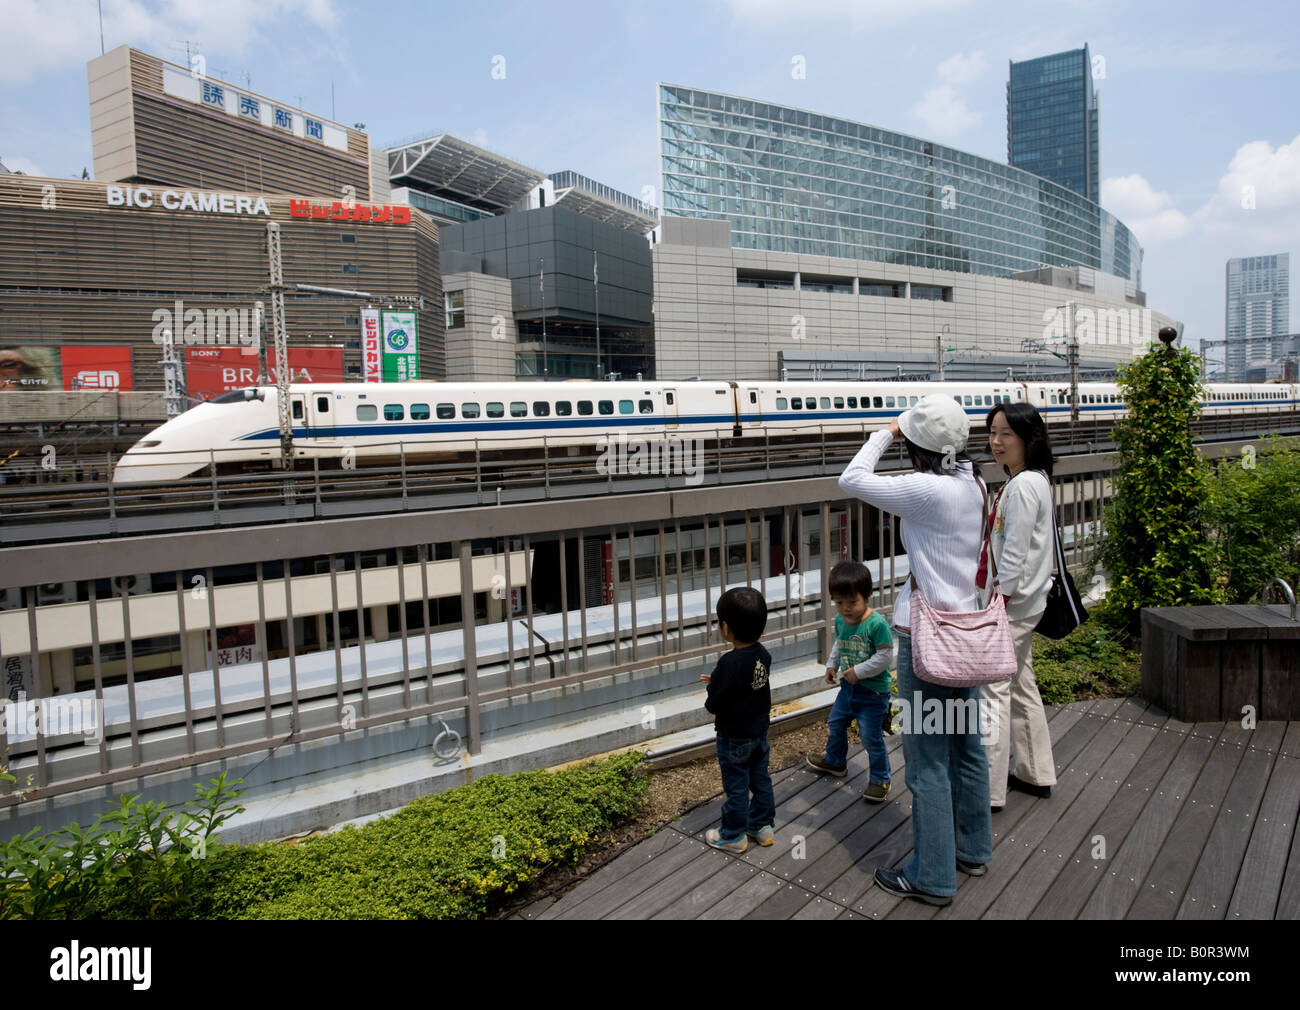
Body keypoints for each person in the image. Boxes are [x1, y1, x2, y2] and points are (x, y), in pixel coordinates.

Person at [837, 395, 992, 907]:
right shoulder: (975, 484)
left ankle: (932, 877)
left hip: (926, 638)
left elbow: (852, 479)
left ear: (918, 446)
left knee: (926, 760)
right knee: (965, 746)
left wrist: (886, 433)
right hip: (965, 633)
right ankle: (972, 849)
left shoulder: (927, 490)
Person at [980, 402, 1057, 810]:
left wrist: (998, 600)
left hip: (1013, 606)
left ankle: (989, 791)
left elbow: (1015, 550)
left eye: (1006, 434)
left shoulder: (1025, 485)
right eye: (993, 432)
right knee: (1021, 684)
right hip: (1026, 602)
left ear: (1030, 438)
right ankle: (1035, 772)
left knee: (992, 689)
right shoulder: (1030, 480)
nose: (996, 441)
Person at [805, 560, 895, 802]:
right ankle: (835, 761)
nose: (845, 608)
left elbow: (886, 655)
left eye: (852, 602)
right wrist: (831, 665)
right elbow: (840, 643)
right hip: (848, 688)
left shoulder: (876, 624)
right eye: (839, 602)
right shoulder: (840, 620)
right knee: (835, 723)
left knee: (870, 737)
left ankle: (880, 778)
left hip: (873, 693)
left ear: (866, 596)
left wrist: (861, 671)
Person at [701, 586, 775, 854]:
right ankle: (762, 825)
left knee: (737, 786)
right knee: (760, 779)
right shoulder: (762, 655)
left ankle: (733, 835)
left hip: (734, 737)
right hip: (759, 732)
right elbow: (750, 685)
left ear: (725, 627)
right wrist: (720, 679)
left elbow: (714, 704)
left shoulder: (728, 663)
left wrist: (715, 684)